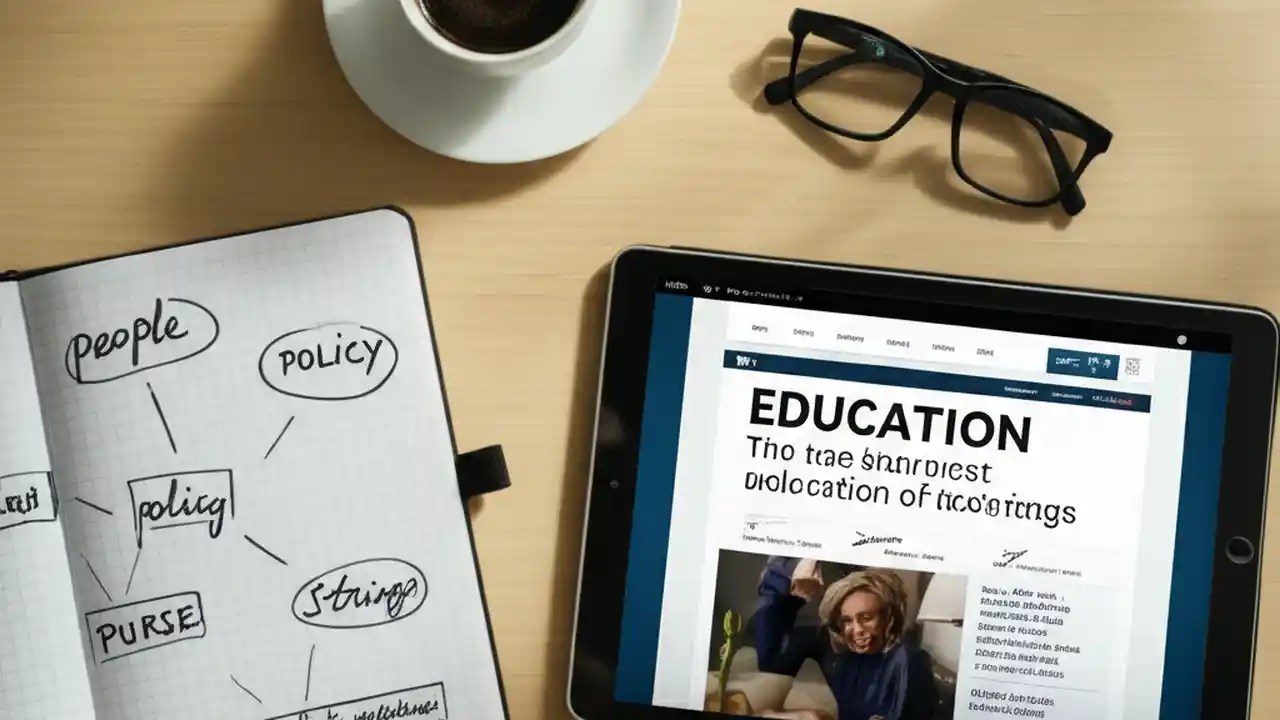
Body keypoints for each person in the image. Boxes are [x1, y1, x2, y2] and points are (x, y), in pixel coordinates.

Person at [754, 564, 938, 720]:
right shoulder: (845, 662)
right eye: (847, 620)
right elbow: (770, 664)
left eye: (866, 617)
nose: (857, 629)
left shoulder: (911, 660)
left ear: (887, 618)